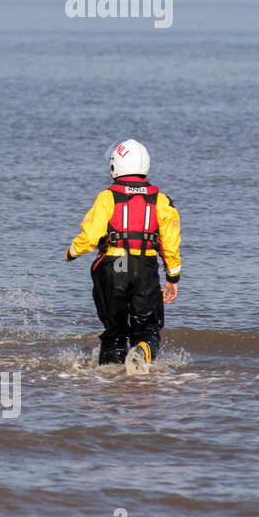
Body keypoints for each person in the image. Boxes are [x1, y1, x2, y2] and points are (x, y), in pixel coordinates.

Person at [64, 139, 181, 369]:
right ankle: (144, 350)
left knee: (115, 329)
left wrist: (72, 252)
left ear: (115, 164)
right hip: (145, 267)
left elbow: (90, 235)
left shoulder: (107, 197)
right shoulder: (161, 200)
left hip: (114, 266)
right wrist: (172, 277)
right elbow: (170, 243)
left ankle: (111, 375)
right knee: (147, 326)